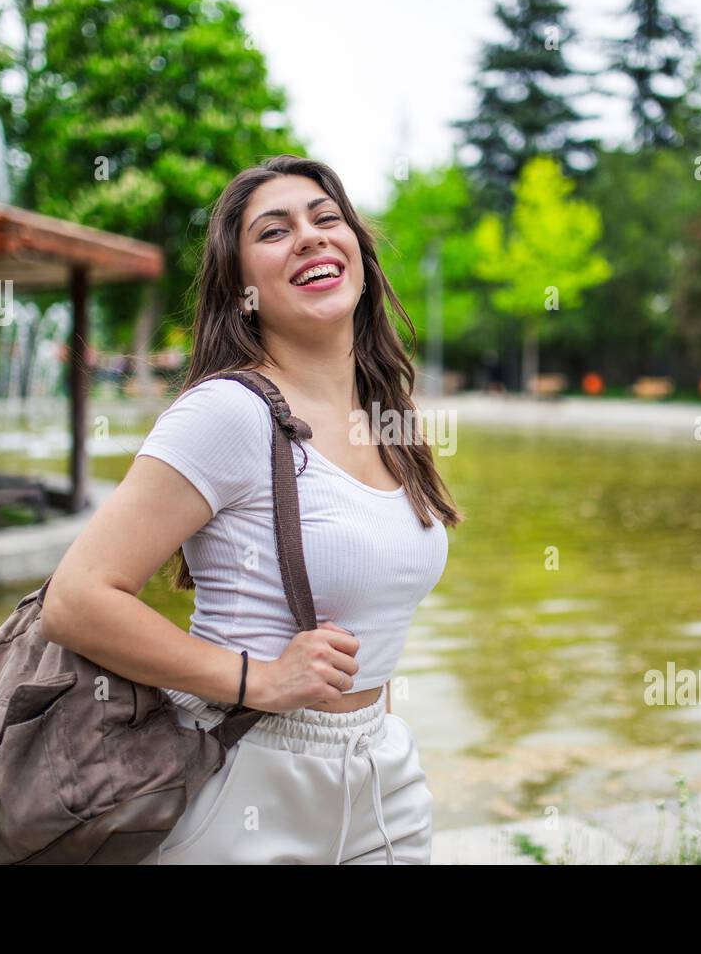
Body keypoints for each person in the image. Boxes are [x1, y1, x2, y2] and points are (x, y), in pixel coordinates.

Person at [40, 154, 463, 864]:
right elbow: (76, 599)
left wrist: (369, 731)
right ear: (243, 292)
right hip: (248, 778)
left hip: (382, 776)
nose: (310, 236)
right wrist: (259, 679)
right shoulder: (227, 413)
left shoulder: (386, 415)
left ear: (359, 253)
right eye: (274, 232)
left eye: (327, 219)